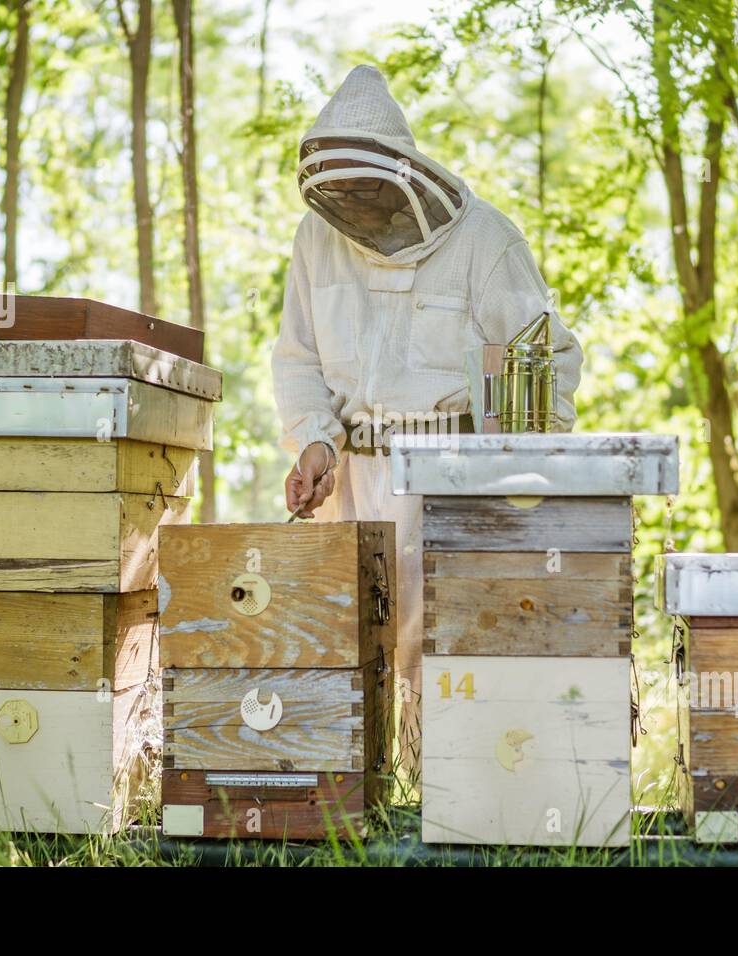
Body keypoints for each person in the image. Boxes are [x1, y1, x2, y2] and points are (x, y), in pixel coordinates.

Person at [271, 64, 583, 787]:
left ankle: (455, 809)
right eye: (339, 193)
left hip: (458, 481)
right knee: (352, 647)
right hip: (354, 482)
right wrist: (315, 442)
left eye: (366, 190)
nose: (354, 206)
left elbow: (549, 362)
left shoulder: (485, 241)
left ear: (403, 172)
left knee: (450, 656)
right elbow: (297, 358)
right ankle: (360, 809)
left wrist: (518, 474)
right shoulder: (314, 243)